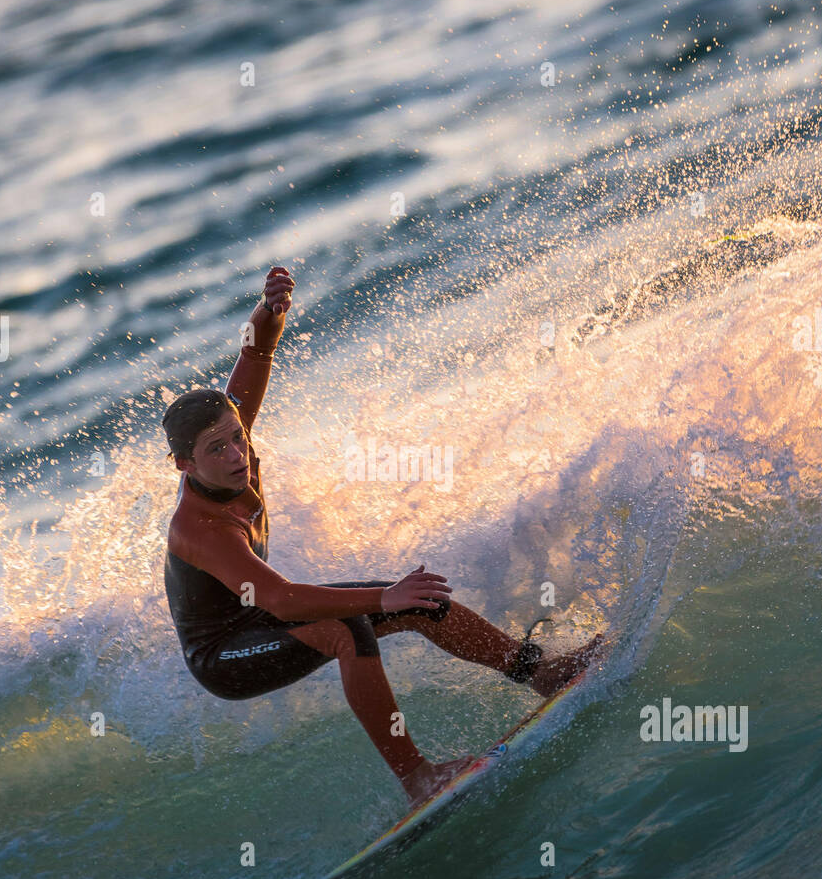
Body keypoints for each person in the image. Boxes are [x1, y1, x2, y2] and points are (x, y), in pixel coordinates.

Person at [162, 266, 602, 806]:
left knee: (424, 604)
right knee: (349, 628)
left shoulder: (232, 434)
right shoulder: (200, 529)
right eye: (215, 450)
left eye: (237, 438)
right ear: (184, 465)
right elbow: (278, 597)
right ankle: (417, 777)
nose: (235, 456)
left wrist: (268, 311)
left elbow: (254, 357)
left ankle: (544, 672)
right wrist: (383, 597)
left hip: (264, 617)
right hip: (224, 654)